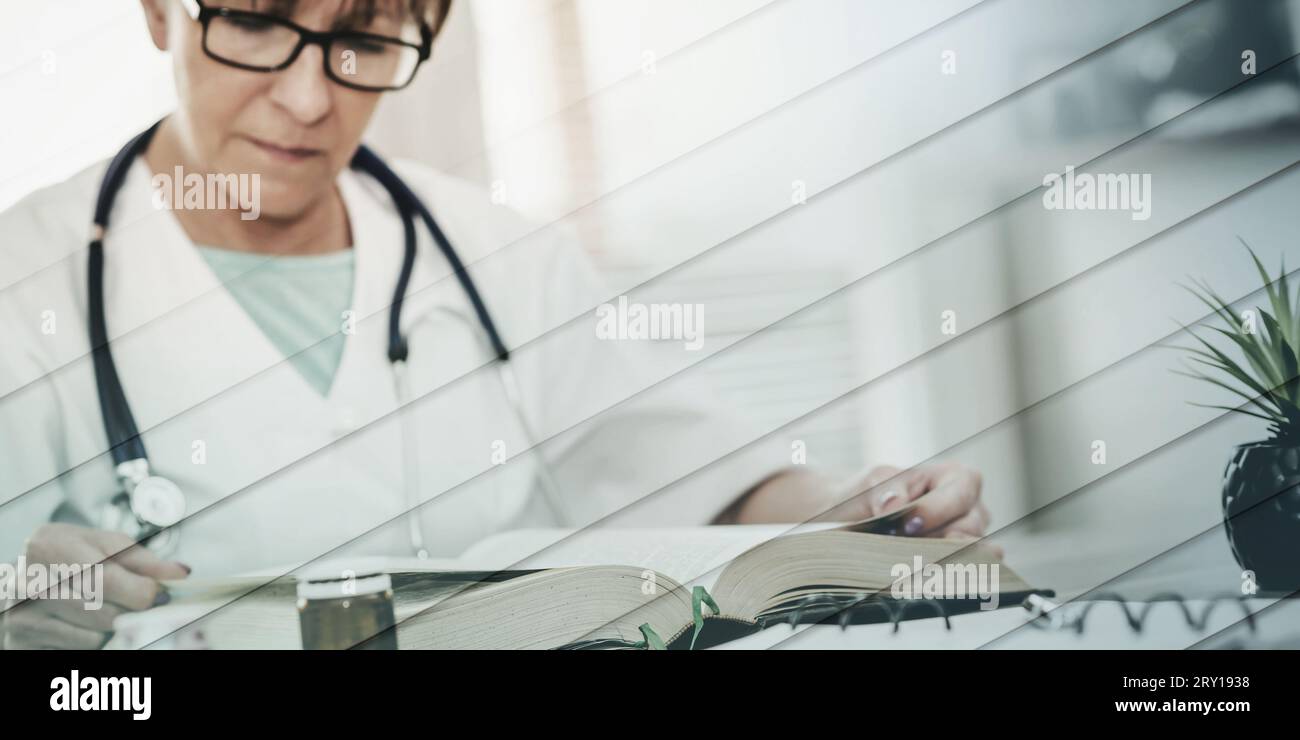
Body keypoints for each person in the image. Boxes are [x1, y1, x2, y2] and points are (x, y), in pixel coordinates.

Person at [0, 0, 989, 649]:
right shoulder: (22, 276)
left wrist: (859, 506)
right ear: (159, 11)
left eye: (362, 37)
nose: (309, 99)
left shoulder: (499, 251)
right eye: (259, 21)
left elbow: (691, 476)